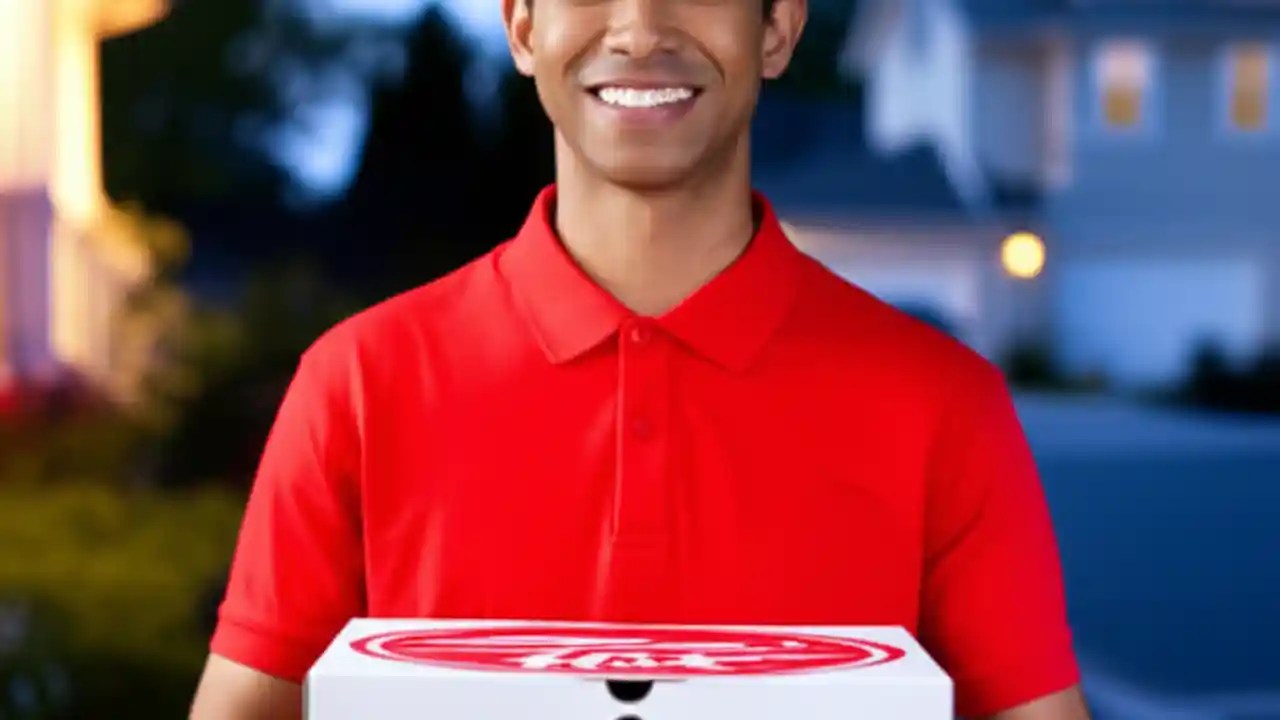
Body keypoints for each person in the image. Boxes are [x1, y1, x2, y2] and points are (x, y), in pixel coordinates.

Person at [189, 0, 1091, 717]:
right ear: (521, 25)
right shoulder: (357, 383)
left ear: (777, 27)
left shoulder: (942, 403)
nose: (640, 26)